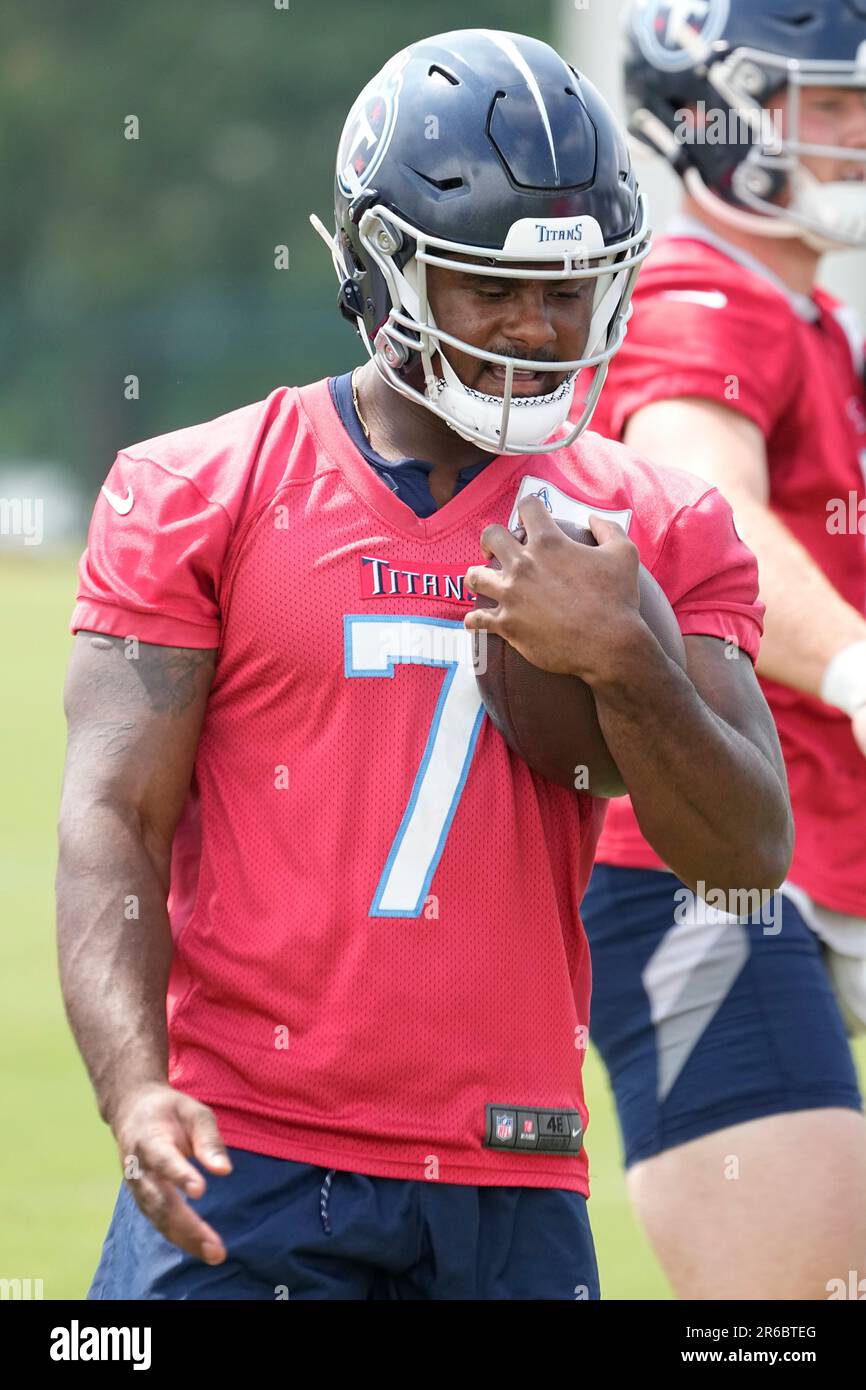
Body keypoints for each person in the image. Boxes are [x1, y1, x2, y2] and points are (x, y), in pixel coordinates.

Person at [57, 27, 791, 1301]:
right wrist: (134, 1086)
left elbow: (743, 854)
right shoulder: (197, 490)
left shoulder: (658, 525)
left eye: (565, 292)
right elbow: (112, 815)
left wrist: (626, 657)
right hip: (251, 1154)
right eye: (486, 286)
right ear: (380, 268)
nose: (532, 328)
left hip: (514, 1171)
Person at [580, 0, 866, 1299]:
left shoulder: (801, 314)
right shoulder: (704, 295)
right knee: (791, 1303)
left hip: (801, 839)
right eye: (829, 106)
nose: (858, 134)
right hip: (703, 866)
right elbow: (704, 508)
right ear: (716, 121)